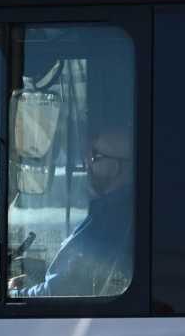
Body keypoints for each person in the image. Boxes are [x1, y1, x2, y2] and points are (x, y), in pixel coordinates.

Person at [22, 127, 133, 298]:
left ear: (115, 167)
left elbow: (57, 292)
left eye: (95, 156)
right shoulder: (119, 212)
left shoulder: (108, 221)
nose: (87, 163)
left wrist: (13, 294)